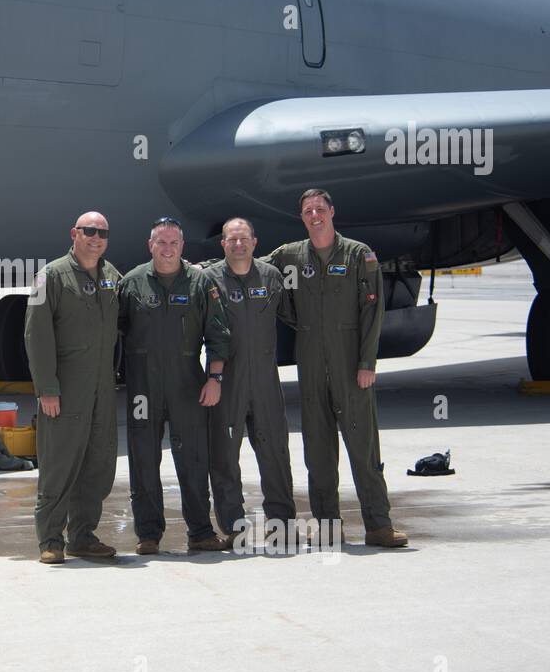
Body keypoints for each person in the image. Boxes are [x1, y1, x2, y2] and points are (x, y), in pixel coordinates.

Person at [266, 189, 409, 547]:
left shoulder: (359, 255)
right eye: (308, 211)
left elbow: (372, 313)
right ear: (302, 217)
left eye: (320, 209)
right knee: (318, 451)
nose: (315, 215)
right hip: (311, 359)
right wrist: (202, 269)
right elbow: (253, 267)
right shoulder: (291, 255)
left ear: (332, 212)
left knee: (363, 448)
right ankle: (328, 526)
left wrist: (367, 363)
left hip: (350, 364)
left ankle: (378, 525)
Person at [119, 218, 233, 554]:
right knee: (143, 458)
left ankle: (200, 531)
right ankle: (148, 534)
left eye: (173, 243)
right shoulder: (132, 283)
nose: (167, 249)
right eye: (160, 243)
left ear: (182, 247)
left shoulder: (200, 283)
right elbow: (112, 330)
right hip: (143, 385)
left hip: (187, 383)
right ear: (150, 245)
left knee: (194, 459)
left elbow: (218, 335)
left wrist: (215, 379)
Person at [25, 211, 123, 564]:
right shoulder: (49, 276)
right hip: (65, 389)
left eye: (103, 233)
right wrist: (46, 388)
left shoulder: (113, 276)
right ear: (74, 234)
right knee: (59, 463)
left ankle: (83, 536)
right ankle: (50, 539)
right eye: (90, 231)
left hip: (102, 388)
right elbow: (36, 336)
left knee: (97, 465)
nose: (96, 238)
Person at [201, 219, 298, 542]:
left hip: (266, 381)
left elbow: (295, 316)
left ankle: (281, 524)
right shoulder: (209, 279)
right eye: (232, 239)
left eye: (244, 239)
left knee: (275, 453)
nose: (238, 244)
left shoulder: (271, 277)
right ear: (223, 244)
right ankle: (233, 527)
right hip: (227, 380)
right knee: (225, 456)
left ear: (255, 242)